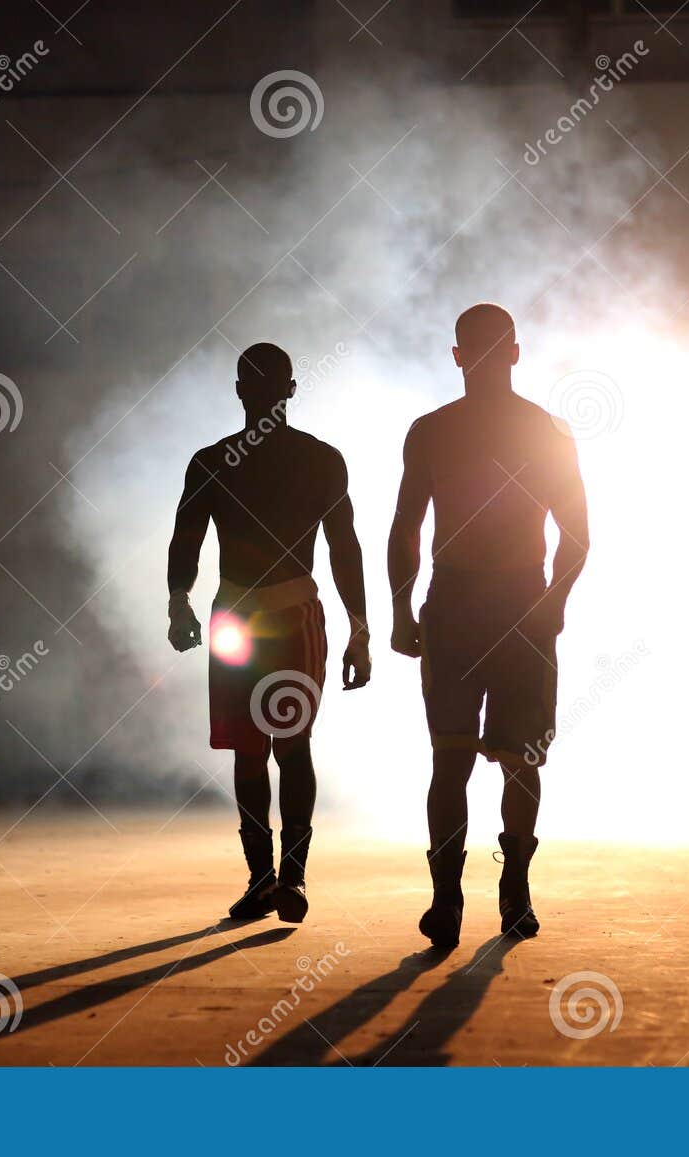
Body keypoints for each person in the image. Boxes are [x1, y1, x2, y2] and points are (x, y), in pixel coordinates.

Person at [388, 303, 589, 947]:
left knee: (486, 759)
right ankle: (477, 896)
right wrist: (553, 598)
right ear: (512, 352)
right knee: (490, 759)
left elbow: (577, 534)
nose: (477, 359)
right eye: (478, 349)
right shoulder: (520, 431)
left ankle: (487, 893)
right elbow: (406, 528)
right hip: (493, 604)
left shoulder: (445, 431)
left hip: (490, 605)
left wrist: (555, 598)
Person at [167, 342, 371, 925]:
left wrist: (179, 601)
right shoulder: (310, 460)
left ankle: (283, 878)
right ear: (290, 389)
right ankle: (275, 879)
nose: (255, 393)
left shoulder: (225, 461)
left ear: (252, 390)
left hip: (265, 614)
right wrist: (359, 629)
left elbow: (344, 548)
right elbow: (344, 550)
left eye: (258, 383)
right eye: (254, 383)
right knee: (267, 746)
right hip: (263, 615)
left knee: (269, 747)